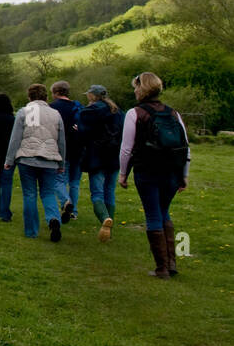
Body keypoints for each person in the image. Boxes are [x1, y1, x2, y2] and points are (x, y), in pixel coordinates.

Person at [119, 72, 190, 278]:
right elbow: (185, 146)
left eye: (135, 87)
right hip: (171, 172)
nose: (134, 90)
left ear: (141, 89)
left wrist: (123, 174)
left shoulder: (135, 113)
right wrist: (183, 174)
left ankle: (162, 268)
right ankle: (171, 263)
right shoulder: (173, 113)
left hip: (147, 170)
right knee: (163, 212)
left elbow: (126, 148)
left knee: (152, 214)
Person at [3, 83, 67, 241]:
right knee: (48, 193)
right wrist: (61, 163)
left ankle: (31, 231)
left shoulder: (25, 112)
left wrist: (9, 160)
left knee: (30, 194)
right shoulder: (55, 114)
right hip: (50, 160)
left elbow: (15, 138)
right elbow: (61, 141)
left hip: (27, 158)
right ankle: (53, 219)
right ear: (46, 97)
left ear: (29, 97)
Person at [79, 84, 123, 242]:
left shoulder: (90, 111)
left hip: (97, 156)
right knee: (110, 191)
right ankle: (109, 230)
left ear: (92, 96)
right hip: (114, 156)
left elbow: (83, 133)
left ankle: (105, 218)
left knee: (97, 192)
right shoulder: (117, 110)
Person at [49, 80, 84, 223]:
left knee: (59, 180)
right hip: (78, 148)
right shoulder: (78, 107)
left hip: (60, 149)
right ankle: (73, 212)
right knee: (75, 182)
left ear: (55, 92)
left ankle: (65, 202)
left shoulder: (52, 108)